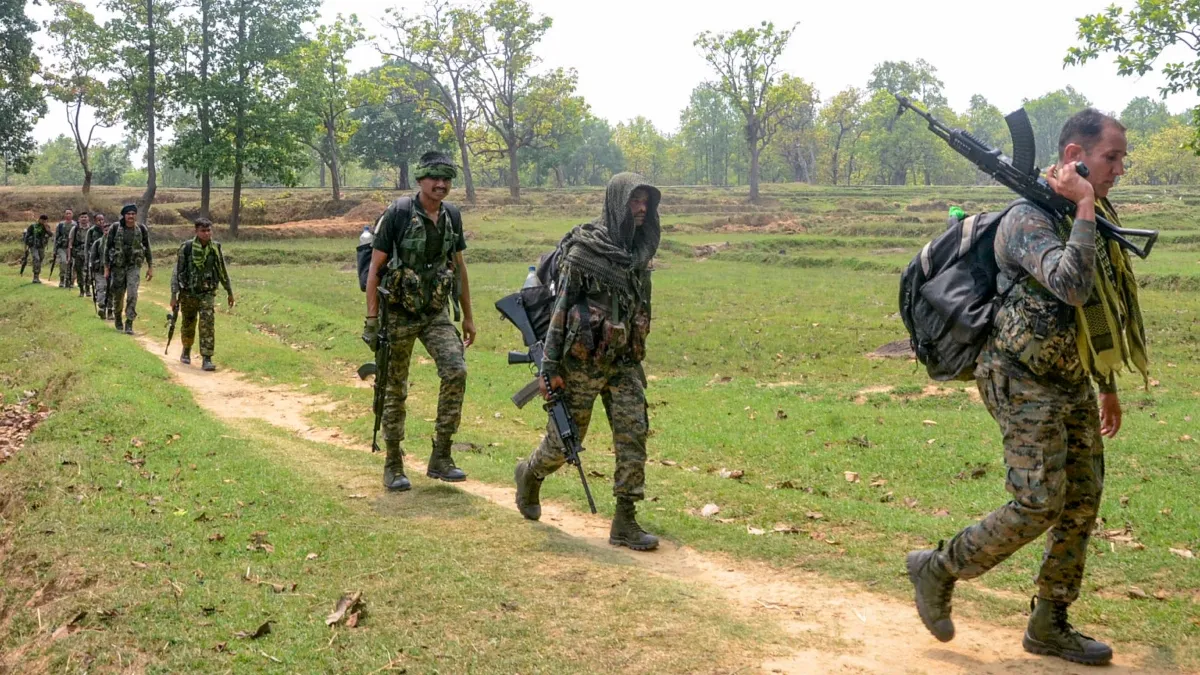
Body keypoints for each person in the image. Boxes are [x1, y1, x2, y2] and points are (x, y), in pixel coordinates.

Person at [906, 109, 1148, 666]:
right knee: (1038, 502)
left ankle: (1050, 622)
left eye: (1121, 160)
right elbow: (1070, 284)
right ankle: (938, 566)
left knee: (1081, 500)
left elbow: (1100, 305)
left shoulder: (1084, 215)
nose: (1118, 170)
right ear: (1074, 157)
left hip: (1070, 378)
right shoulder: (1029, 218)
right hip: (1018, 376)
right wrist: (1085, 205)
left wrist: (1106, 380)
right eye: (1111, 158)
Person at [513, 173, 661, 552]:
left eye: (646, 202)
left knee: (633, 434)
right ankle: (530, 473)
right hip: (580, 364)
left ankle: (625, 520)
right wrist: (549, 370)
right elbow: (561, 311)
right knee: (563, 446)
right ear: (617, 203)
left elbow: (640, 306)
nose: (641, 209)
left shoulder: (640, 253)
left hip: (624, 361)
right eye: (634, 201)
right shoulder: (585, 253)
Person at [362, 151, 476, 492]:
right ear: (420, 179)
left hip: (435, 312)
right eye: (434, 178)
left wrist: (468, 315)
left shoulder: (452, 216)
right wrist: (371, 319)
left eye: (446, 179)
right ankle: (393, 462)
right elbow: (375, 270)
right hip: (397, 312)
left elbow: (459, 267)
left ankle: (441, 456)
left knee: (456, 370)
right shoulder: (397, 214)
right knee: (395, 388)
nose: (441, 184)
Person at [171, 218, 235, 371]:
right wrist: (174, 295)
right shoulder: (186, 248)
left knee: (207, 324)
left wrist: (229, 291)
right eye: (203, 231)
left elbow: (222, 270)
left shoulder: (215, 248)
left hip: (207, 293)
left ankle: (207, 358)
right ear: (196, 232)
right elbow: (177, 272)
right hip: (188, 292)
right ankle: (186, 350)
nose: (206, 234)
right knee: (188, 322)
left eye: (208, 230)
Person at [104, 204, 154, 335]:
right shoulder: (115, 228)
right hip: (118, 266)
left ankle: (129, 322)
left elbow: (147, 248)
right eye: (128, 214)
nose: (131, 216)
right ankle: (118, 317)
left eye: (133, 214)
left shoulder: (141, 229)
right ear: (124, 215)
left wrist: (150, 267)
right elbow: (107, 248)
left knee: (132, 294)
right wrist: (106, 268)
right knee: (118, 295)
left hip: (134, 266)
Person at [88, 215, 111, 318]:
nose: (107, 232)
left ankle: (110, 310)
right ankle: (102, 307)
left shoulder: (116, 243)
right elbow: (92, 259)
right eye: (105, 230)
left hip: (113, 271)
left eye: (109, 230)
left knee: (112, 290)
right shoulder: (97, 243)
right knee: (101, 288)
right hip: (100, 271)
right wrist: (90, 273)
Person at [66, 212, 92, 297]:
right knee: (79, 272)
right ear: (79, 219)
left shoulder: (91, 229)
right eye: (82, 217)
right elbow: (70, 243)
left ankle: (88, 289)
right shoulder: (75, 229)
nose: (84, 219)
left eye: (85, 217)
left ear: (88, 219)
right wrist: (69, 257)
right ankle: (81, 289)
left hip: (89, 254)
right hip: (77, 253)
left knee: (88, 272)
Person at [22, 215, 53, 284]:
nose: (44, 222)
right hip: (33, 246)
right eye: (42, 220)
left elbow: (51, 234)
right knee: (36, 258)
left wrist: (46, 229)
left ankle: (37, 273)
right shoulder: (33, 226)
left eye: (45, 220)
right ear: (39, 220)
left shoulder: (47, 227)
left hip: (41, 246)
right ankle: (35, 277)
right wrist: (26, 247)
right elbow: (26, 236)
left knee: (40, 259)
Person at [54, 208, 76, 289]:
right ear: (64, 215)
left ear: (72, 214)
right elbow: (56, 237)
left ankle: (71, 280)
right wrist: (54, 250)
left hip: (72, 248)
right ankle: (62, 279)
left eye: (70, 213)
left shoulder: (75, 225)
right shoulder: (60, 225)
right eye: (66, 213)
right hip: (62, 247)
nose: (68, 215)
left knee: (73, 264)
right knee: (63, 262)